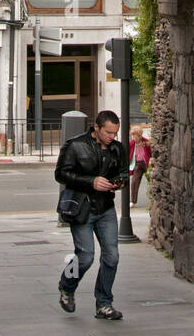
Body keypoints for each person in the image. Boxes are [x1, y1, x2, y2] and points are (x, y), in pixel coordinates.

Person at [55, 110, 127, 320]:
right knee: (85, 257)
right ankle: (66, 285)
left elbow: (123, 172)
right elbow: (61, 173)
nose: (112, 137)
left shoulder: (117, 148)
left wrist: (117, 183)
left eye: (115, 133)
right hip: (82, 208)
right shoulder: (75, 145)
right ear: (96, 128)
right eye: (108, 132)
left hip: (105, 207)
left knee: (112, 256)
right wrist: (91, 181)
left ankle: (104, 303)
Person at [128, 125, 152, 206]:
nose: (134, 138)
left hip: (146, 164)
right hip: (137, 164)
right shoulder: (131, 143)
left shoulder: (146, 142)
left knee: (152, 181)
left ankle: (154, 198)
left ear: (139, 135)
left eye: (135, 136)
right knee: (134, 182)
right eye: (132, 136)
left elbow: (151, 152)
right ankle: (133, 201)